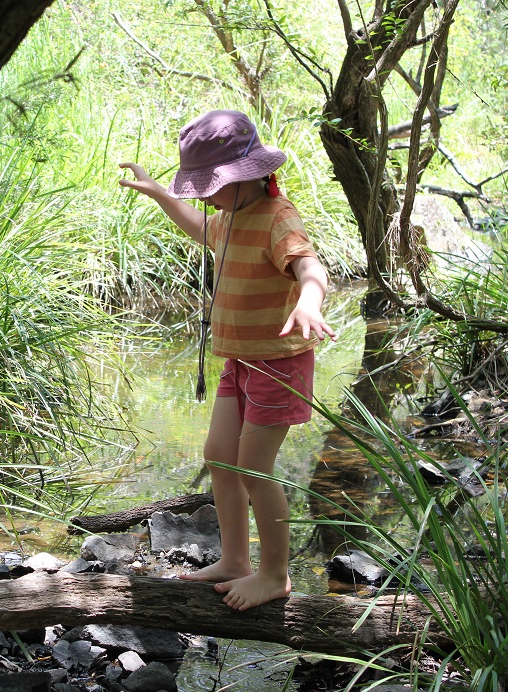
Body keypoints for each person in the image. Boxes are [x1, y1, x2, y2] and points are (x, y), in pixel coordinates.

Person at [119, 110, 336, 611]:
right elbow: (202, 229)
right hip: (240, 361)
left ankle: (275, 574)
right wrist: (161, 194)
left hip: (279, 363)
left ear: (247, 176)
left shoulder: (278, 217)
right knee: (220, 455)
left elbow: (308, 265)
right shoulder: (230, 217)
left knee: (255, 467)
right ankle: (236, 559)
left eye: (211, 186)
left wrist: (309, 301)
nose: (206, 197)